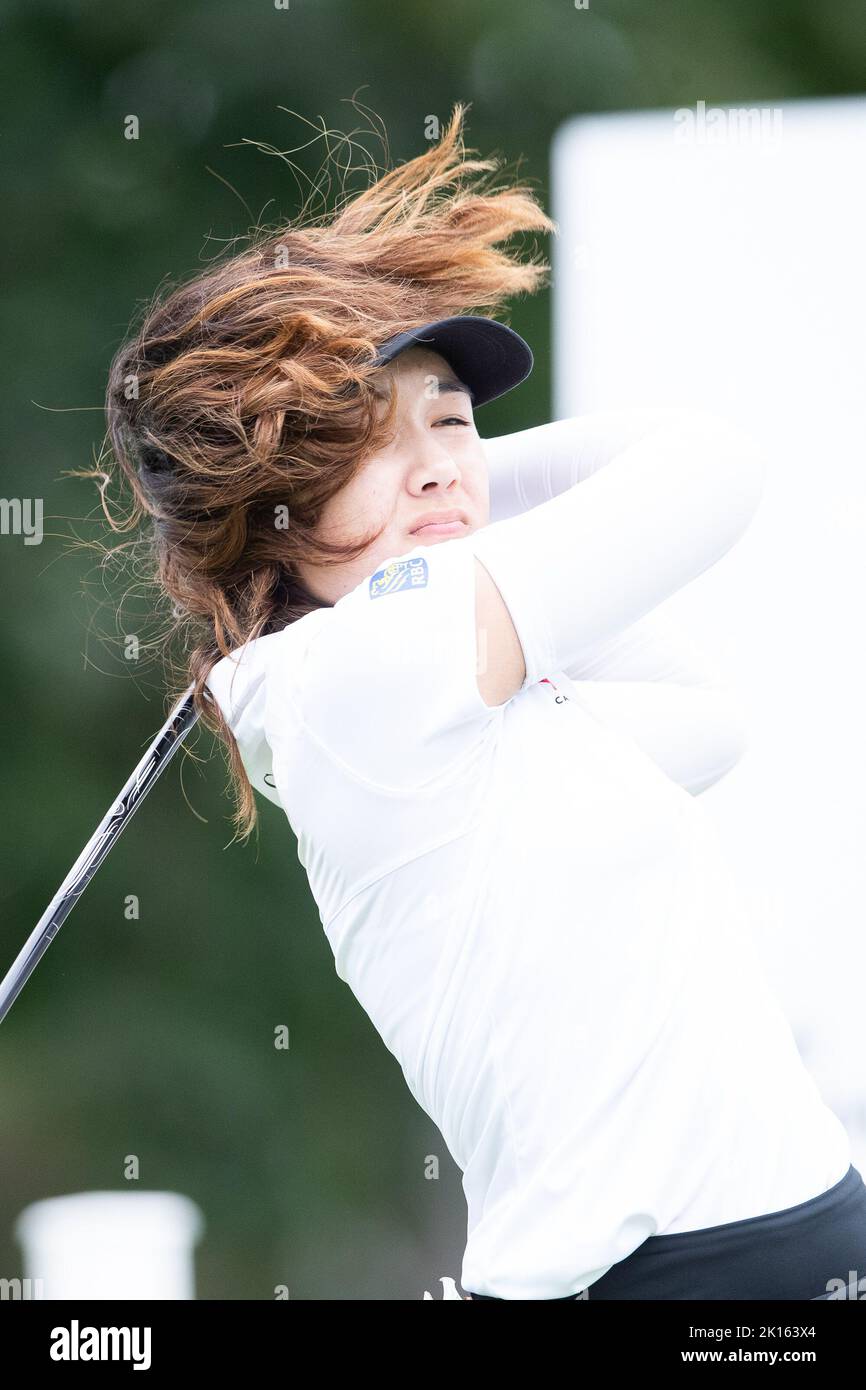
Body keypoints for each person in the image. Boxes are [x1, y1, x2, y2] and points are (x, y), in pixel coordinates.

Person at [96, 106, 866, 1300]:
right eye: (365, 439)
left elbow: (705, 725)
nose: (440, 462)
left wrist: (443, 482)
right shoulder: (370, 669)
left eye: (452, 416)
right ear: (272, 500)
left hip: (771, 1253)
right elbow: (713, 464)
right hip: (676, 1283)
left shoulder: (440, 682)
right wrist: (448, 485)